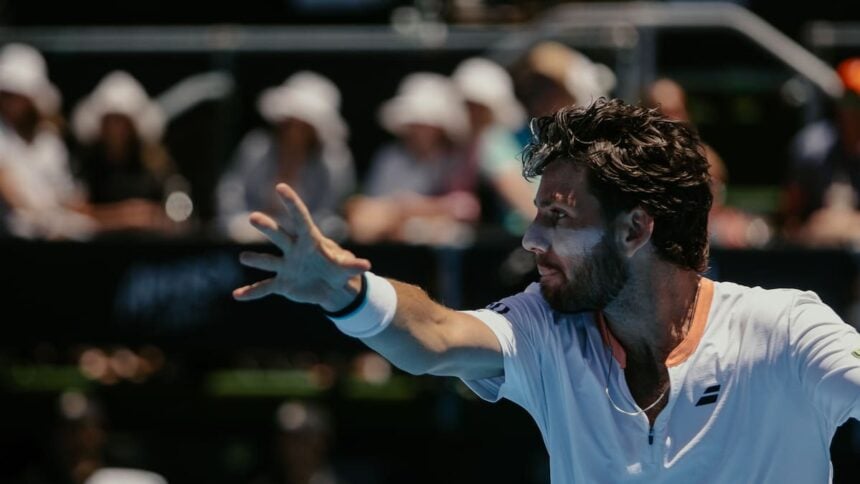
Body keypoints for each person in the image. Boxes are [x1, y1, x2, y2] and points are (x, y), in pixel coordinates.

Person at [233, 99, 860, 482]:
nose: (531, 240)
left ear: (636, 229)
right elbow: (436, 334)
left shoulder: (786, 331)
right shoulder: (546, 328)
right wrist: (353, 294)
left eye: (557, 217)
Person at [217, 71, 355, 242]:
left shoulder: (335, 161)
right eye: (290, 123)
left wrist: (284, 229)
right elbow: (231, 193)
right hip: (249, 241)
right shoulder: (256, 147)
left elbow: (331, 213)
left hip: (308, 249)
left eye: (303, 126)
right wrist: (238, 223)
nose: (294, 132)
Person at [345, 72, 479, 245]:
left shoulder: (453, 161)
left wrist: (406, 209)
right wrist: (420, 209)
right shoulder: (389, 157)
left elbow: (466, 210)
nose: (421, 130)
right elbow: (366, 219)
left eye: (427, 124)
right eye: (416, 123)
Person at [72, 70, 189, 236]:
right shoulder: (88, 163)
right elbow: (74, 211)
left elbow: (177, 213)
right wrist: (126, 216)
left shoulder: (155, 164)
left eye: (120, 121)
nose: (115, 129)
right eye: (109, 121)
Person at [0, 43, 96, 239]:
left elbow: (67, 198)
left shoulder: (50, 142)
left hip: (53, 237)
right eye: (5, 95)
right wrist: (49, 219)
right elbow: (10, 191)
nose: (9, 103)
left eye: (15, 96)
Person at [449, 57, 537, 233]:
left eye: (478, 106)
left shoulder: (492, 141)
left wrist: (546, 232)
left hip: (521, 239)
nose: (472, 112)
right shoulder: (480, 142)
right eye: (468, 105)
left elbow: (524, 200)